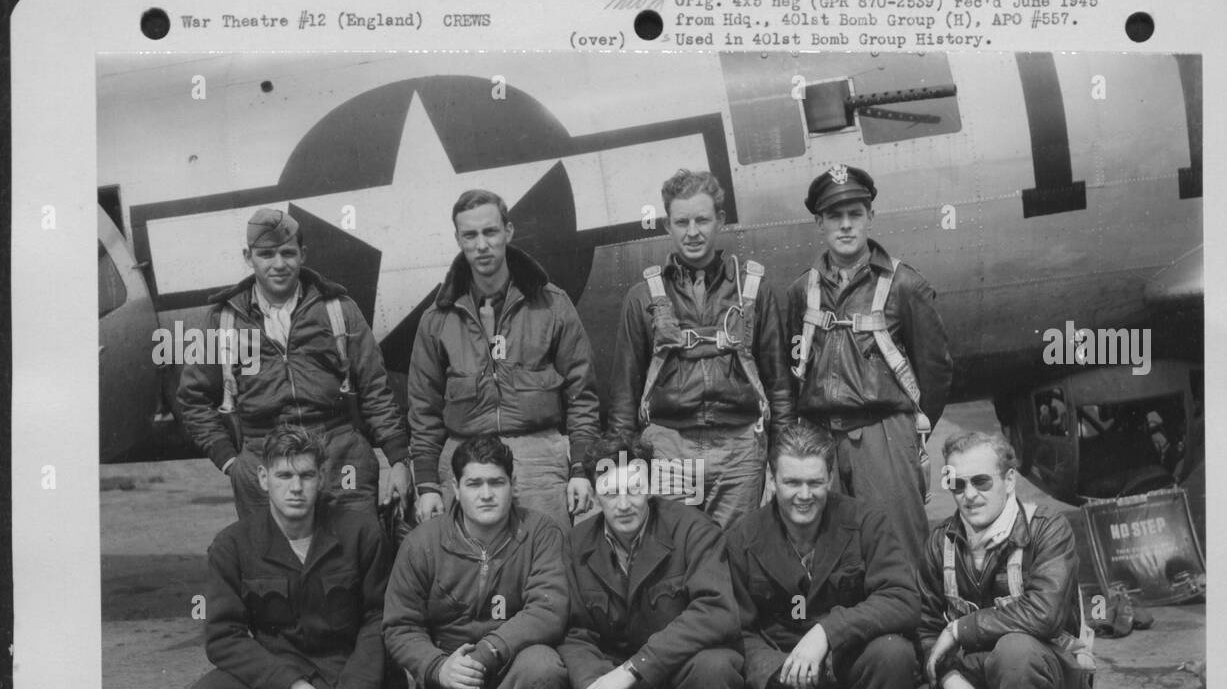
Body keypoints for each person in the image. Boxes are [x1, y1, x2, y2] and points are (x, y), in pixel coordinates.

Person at [174, 425, 401, 689]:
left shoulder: (360, 532)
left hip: (340, 682)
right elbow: (223, 636)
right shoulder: (234, 544)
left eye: (306, 476)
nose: (296, 487)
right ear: (263, 480)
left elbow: (378, 618)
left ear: (322, 478)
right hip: (273, 683)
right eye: (283, 476)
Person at [542, 435, 745, 689]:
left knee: (715, 665)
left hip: (680, 674)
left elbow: (717, 611)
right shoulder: (575, 544)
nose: (623, 504)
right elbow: (574, 632)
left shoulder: (693, 529)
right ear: (595, 495)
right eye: (610, 491)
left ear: (651, 486)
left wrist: (633, 670)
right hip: (617, 680)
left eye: (634, 489)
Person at [723, 424, 920, 689]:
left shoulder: (866, 521)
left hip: (847, 667)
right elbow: (736, 629)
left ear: (831, 477)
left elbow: (902, 598)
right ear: (771, 479)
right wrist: (777, 671)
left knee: (894, 654)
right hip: (784, 679)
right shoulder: (743, 537)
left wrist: (827, 632)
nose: (804, 495)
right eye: (791, 482)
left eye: (815, 482)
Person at [177, 207, 411, 519]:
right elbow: (192, 398)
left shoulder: (338, 309)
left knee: (356, 554)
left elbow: (375, 389)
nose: (278, 264)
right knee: (274, 562)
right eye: (266, 254)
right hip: (263, 461)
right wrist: (231, 462)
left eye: (287, 253)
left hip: (341, 459)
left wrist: (398, 460)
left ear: (302, 254)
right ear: (249, 257)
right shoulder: (223, 321)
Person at [917, 431, 1095, 689]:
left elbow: (1045, 615)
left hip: (1050, 679)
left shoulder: (1048, 530)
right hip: (979, 681)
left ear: (1009, 481)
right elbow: (926, 629)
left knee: (1015, 650)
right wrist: (949, 678)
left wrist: (962, 628)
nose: (969, 495)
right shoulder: (939, 543)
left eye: (982, 482)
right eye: (957, 484)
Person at [383, 435, 570, 689]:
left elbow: (548, 610)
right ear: (455, 488)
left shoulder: (540, 532)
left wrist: (484, 656)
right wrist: (439, 669)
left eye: (496, 483)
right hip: (448, 672)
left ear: (512, 485)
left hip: (510, 661)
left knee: (542, 667)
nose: (486, 495)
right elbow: (400, 627)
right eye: (474, 484)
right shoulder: (423, 543)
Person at [608, 169, 793, 529]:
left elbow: (779, 386)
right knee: (676, 556)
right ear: (667, 226)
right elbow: (624, 396)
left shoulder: (752, 290)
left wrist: (781, 458)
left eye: (702, 220)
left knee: (736, 556)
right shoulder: (643, 296)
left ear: (720, 220)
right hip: (670, 448)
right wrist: (622, 465)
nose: (692, 232)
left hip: (739, 449)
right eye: (682, 222)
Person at [407, 189, 601, 531]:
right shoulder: (436, 320)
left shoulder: (553, 306)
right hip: (462, 457)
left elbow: (581, 394)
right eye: (470, 235)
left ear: (508, 232)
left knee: (548, 561)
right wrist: (425, 484)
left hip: (538, 456)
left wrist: (581, 470)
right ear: (457, 239)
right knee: (463, 572)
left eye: (490, 232)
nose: (481, 245)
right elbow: (423, 409)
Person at [785, 165, 952, 561]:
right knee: (831, 553)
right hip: (821, 439)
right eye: (834, 216)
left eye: (855, 214)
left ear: (870, 218)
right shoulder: (801, 291)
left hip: (884, 436)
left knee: (898, 549)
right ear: (819, 223)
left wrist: (907, 435)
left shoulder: (904, 285)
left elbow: (936, 368)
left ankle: (916, 622)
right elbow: (792, 369)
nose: (845, 226)